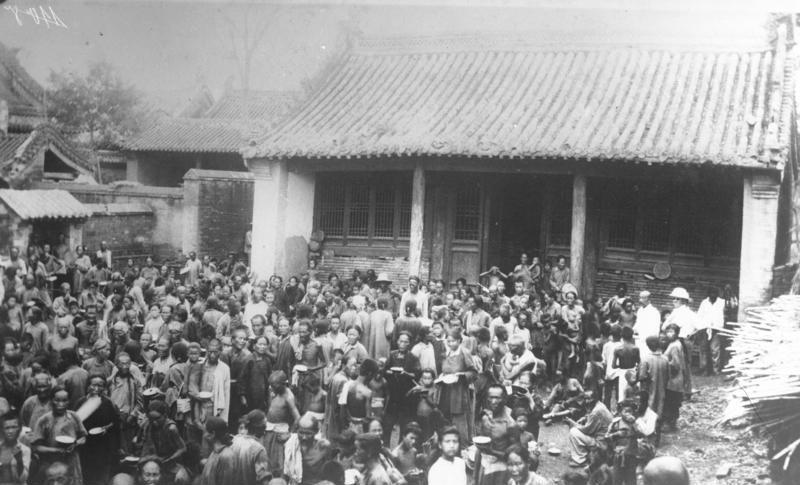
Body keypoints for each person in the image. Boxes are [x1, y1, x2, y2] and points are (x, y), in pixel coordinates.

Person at [31, 386, 87, 485]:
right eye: (57, 400)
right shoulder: (44, 420)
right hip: (51, 464)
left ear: (69, 401)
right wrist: (55, 450)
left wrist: (75, 444)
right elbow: (36, 447)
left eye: (64, 400)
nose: (60, 404)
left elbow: (83, 437)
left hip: (72, 462)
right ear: (51, 400)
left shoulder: (74, 417)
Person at [436, 327, 478, 442]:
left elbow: (474, 373)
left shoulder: (464, 353)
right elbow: (444, 370)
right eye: (448, 341)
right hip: (446, 390)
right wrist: (441, 377)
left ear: (459, 341)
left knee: (459, 419)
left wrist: (462, 376)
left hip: (459, 392)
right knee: (445, 417)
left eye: (453, 341)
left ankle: (462, 444)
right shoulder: (446, 353)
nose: (450, 344)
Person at [77, 374, 121, 485]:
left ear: (104, 388)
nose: (96, 388)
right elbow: (74, 423)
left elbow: (115, 423)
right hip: (85, 446)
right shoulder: (81, 402)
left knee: (100, 477)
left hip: (102, 446)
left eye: (100, 385)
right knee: (86, 475)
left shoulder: (107, 403)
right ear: (88, 386)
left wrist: (106, 428)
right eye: (93, 385)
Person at [138, 400, 189, 485]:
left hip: (171, 462)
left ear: (165, 416)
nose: (154, 422)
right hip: (154, 460)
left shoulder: (171, 428)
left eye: (157, 418)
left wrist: (169, 459)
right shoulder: (148, 426)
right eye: (152, 419)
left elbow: (183, 448)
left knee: (181, 477)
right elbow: (146, 447)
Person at [565, 391, 613, 468]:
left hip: (602, 444)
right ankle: (584, 454)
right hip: (607, 441)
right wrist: (585, 418)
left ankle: (580, 460)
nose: (587, 401)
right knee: (578, 428)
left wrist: (572, 423)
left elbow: (587, 430)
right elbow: (591, 416)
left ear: (595, 399)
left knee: (573, 431)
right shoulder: (600, 405)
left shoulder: (596, 411)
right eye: (586, 399)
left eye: (589, 399)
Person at [637, 335, 669, 444]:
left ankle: (648, 437)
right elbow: (668, 375)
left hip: (649, 390)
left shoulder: (646, 359)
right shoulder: (665, 359)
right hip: (662, 389)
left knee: (648, 412)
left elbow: (641, 376)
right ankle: (657, 438)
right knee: (659, 411)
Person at [230, 410, 271, 485]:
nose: (265, 431)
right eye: (264, 427)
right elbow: (263, 479)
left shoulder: (235, 441)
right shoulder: (259, 449)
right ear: (257, 427)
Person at [198, 416, 236, 485]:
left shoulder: (226, 456)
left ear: (213, 434)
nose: (204, 436)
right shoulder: (215, 452)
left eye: (205, 432)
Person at [662, 324, 686, 433]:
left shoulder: (674, 346)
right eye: (668, 332)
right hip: (675, 378)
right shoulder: (674, 344)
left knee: (670, 401)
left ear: (677, 333)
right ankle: (671, 424)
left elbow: (675, 364)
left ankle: (669, 424)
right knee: (673, 401)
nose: (669, 334)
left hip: (673, 378)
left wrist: (664, 362)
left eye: (672, 332)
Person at [696, 286, 724, 375]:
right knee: (703, 350)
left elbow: (724, 314)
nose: (713, 295)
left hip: (716, 329)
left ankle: (716, 370)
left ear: (717, 294)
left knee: (715, 350)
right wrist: (700, 327)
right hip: (705, 328)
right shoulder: (704, 303)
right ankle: (704, 370)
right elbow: (699, 315)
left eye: (715, 293)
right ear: (708, 294)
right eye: (711, 293)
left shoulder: (721, 302)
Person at [0, 413, 31, 485]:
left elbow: (23, 479)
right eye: (7, 428)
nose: (10, 431)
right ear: (1, 430)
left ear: (19, 429)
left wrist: (19, 459)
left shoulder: (25, 450)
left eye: (14, 427)